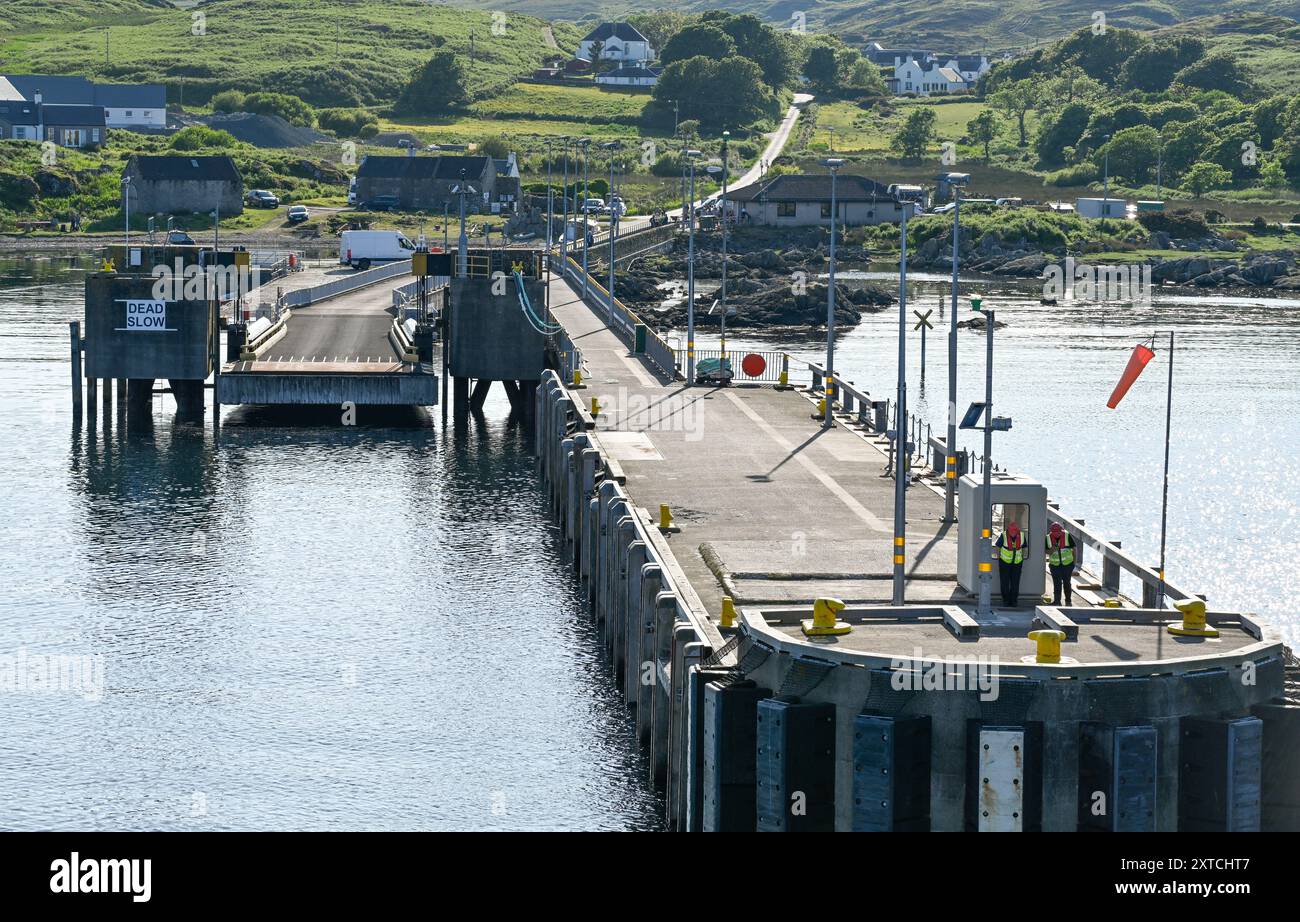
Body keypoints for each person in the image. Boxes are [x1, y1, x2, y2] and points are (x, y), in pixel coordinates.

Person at [994, 521, 1027, 607]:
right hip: (1004, 562)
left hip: (1017, 562)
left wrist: (1022, 557)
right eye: (1011, 531)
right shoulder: (1004, 535)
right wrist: (998, 557)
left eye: (1014, 531)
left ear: (1017, 531)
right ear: (1009, 530)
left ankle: (1014, 601)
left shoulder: (1022, 536)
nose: (1012, 533)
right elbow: (997, 547)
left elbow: (1024, 548)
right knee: (1004, 582)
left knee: (1015, 583)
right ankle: (1006, 601)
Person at [1045, 522, 1077, 606]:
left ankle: (1068, 601)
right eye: (1054, 532)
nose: (1056, 533)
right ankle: (1057, 601)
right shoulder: (1048, 538)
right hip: (1055, 565)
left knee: (1067, 582)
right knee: (1057, 583)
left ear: (1061, 530)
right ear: (1051, 531)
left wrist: (1074, 563)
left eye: (1058, 531)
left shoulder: (1067, 536)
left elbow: (1074, 548)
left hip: (1067, 564)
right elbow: (1046, 551)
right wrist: (1053, 549)